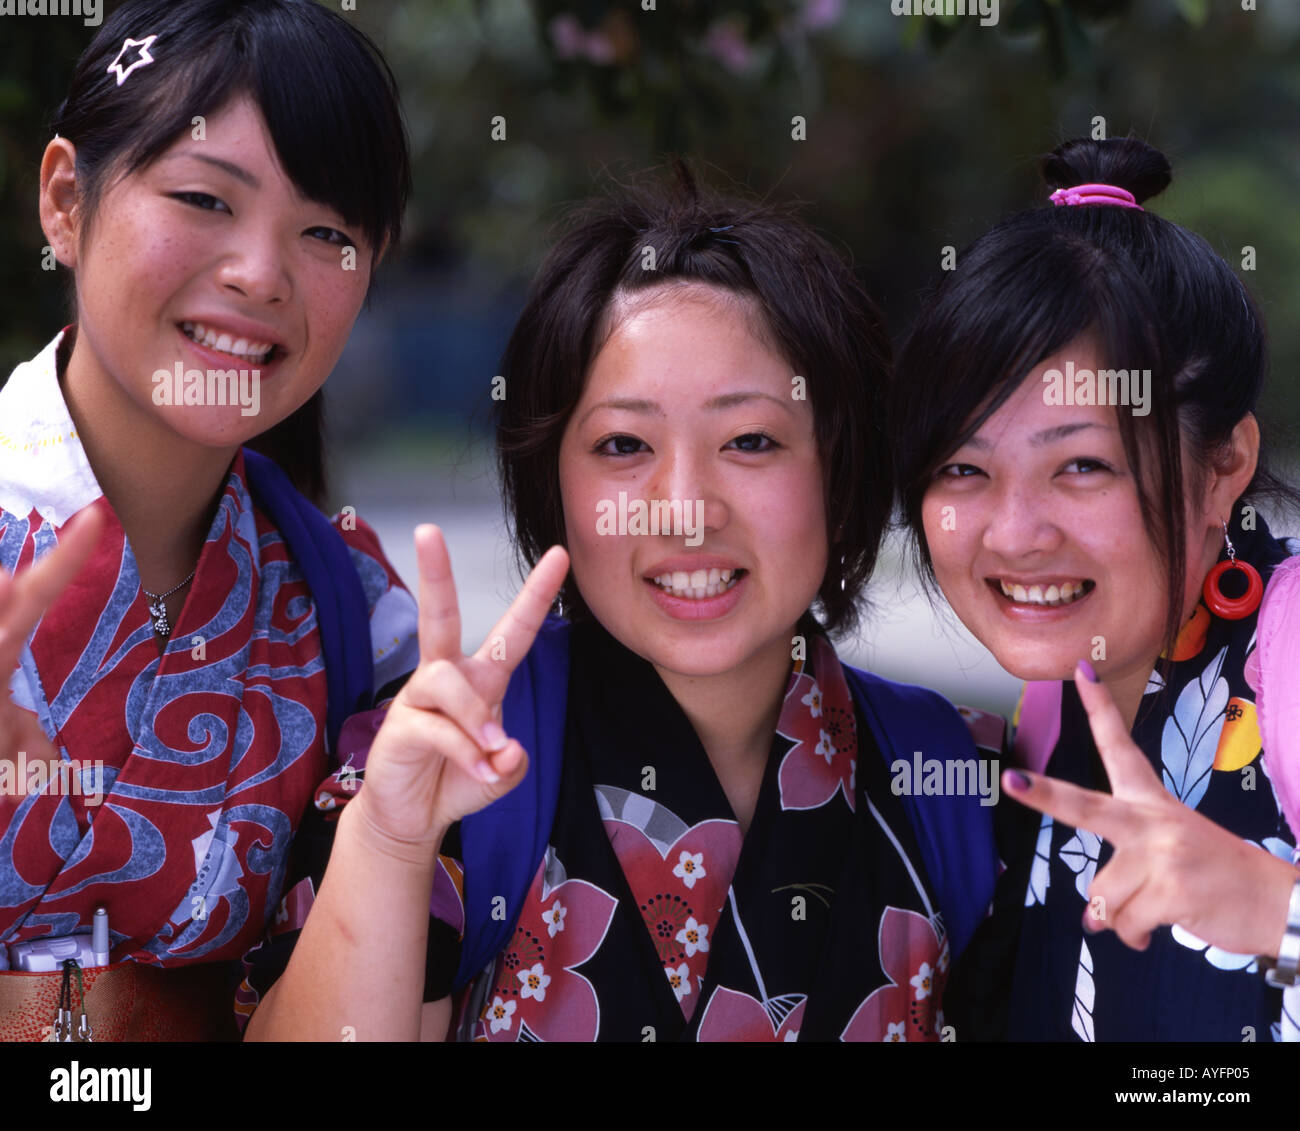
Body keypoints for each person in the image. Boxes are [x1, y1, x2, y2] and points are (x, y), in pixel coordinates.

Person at [245, 167, 998, 1042]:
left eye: (750, 440)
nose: (685, 505)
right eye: (624, 444)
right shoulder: (430, 771)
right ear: (550, 479)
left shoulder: (964, 784)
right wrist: (392, 841)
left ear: (843, 468)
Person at [0, 0, 418, 1040]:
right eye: (202, 197)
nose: (260, 274)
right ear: (64, 200)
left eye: (327, 233)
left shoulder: (359, 614)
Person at [891, 135, 1300, 1041]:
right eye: (962, 467)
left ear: (1227, 461)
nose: (1014, 534)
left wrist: (1279, 912)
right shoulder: (1060, 696)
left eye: (1081, 465)